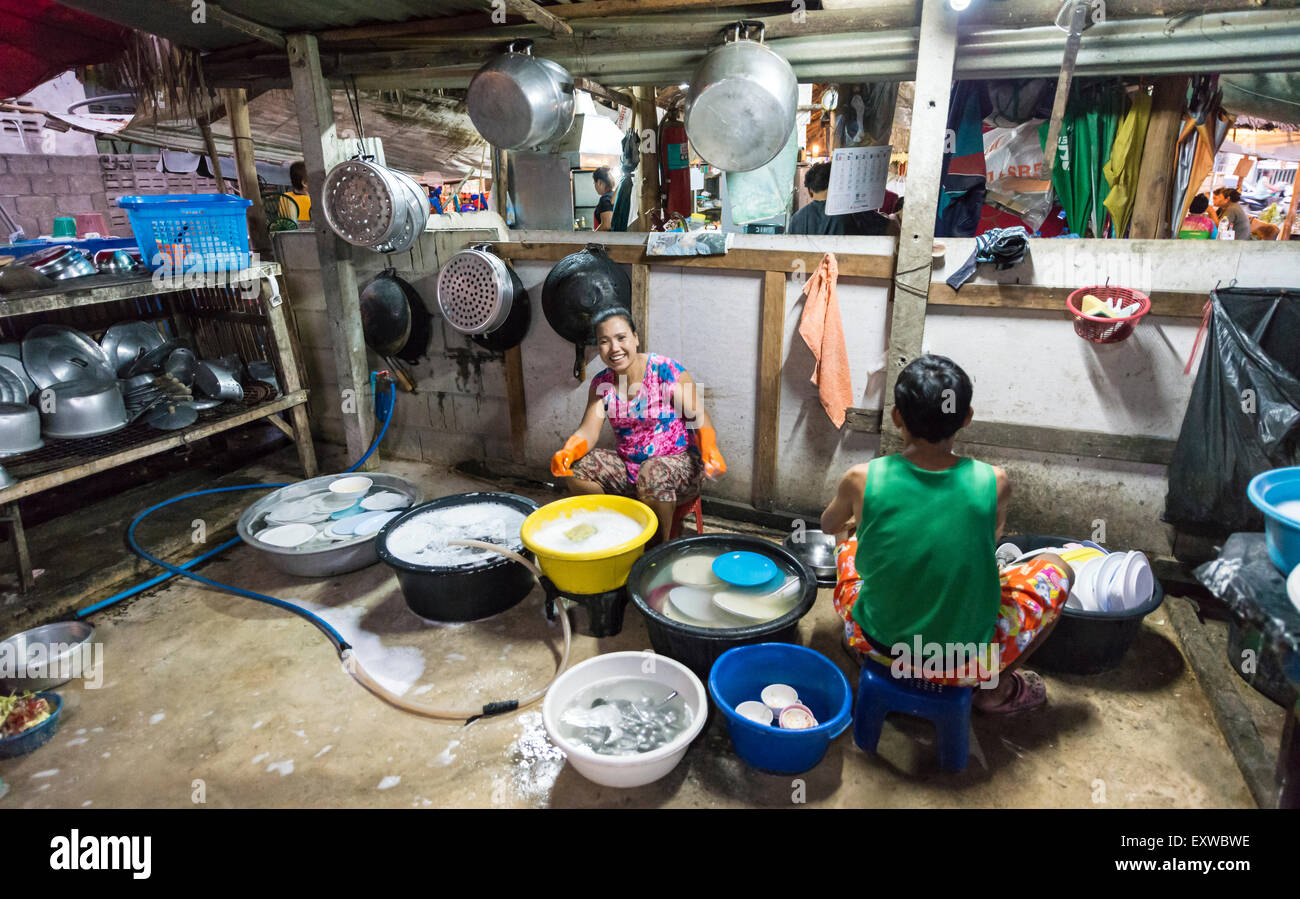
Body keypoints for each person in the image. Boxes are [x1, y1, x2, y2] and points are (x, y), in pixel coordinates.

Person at [820, 355, 1074, 713]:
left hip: (880, 641)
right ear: (966, 418)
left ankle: (867, 657)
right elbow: (991, 542)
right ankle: (993, 688)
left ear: (896, 417)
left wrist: (861, 525)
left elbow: (828, 525)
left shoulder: (861, 479)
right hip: (959, 658)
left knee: (848, 542)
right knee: (1058, 566)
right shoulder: (995, 483)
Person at [550, 308, 727, 544]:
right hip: (630, 468)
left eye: (621, 338)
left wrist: (710, 448)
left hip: (678, 467)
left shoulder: (665, 370)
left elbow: (699, 416)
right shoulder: (602, 383)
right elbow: (588, 431)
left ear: (635, 338)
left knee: (652, 472)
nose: (614, 348)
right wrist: (569, 451)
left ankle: (656, 550)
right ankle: (610, 532)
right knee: (578, 467)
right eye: (605, 342)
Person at [789, 161, 894, 236]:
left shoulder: (796, 218)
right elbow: (892, 230)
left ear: (810, 190)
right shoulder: (854, 211)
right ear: (840, 185)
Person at [592, 167, 615, 232]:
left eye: (594, 183)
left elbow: (607, 225)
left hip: (607, 240)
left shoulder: (605, 199)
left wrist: (592, 237)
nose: (595, 186)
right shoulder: (612, 195)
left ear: (599, 182)